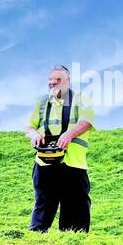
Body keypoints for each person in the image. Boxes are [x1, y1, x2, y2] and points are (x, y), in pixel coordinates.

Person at [24, 65, 94, 232]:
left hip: (72, 163)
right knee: (43, 203)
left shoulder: (82, 100)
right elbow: (29, 127)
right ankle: (36, 240)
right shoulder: (41, 102)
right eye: (50, 79)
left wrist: (69, 135)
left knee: (75, 204)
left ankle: (72, 244)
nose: (52, 83)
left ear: (68, 82)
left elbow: (86, 122)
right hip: (44, 162)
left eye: (58, 79)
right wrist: (33, 135)